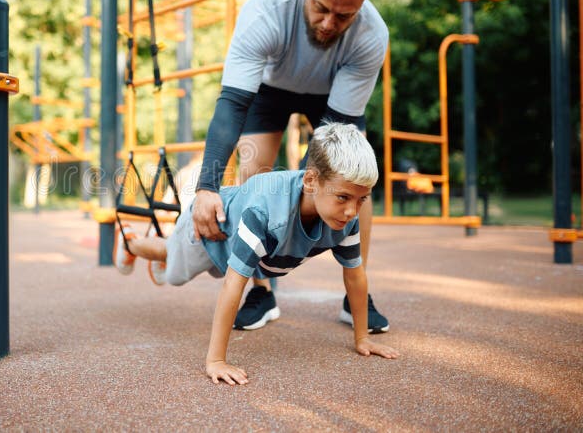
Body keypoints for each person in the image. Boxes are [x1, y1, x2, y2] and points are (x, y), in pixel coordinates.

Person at [191, 0, 390, 333]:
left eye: (343, 15)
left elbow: (334, 143)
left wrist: (309, 202)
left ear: (361, 6)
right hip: (270, 87)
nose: (329, 23)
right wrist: (205, 186)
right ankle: (261, 291)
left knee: (353, 185)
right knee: (253, 171)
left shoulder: (371, 35)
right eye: (321, 7)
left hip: (334, 97)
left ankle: (356, 293)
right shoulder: (267, 5)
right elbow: (232, 104)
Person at [114, 123, 400, 385]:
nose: (352, 211)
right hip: (212, 230)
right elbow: (233, 283)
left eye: (362, 199)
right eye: (343, 197)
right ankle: (131, 242)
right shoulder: (266, 212)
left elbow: (355, 276)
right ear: (311, 182)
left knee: (204, 263)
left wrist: (361, 338)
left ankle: (160, 246)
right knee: (173, 274)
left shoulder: (345, 219)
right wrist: (216, 360)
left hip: (250, 247)